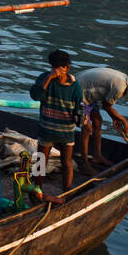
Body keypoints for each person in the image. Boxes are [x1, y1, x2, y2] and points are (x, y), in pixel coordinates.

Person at [77, 67, 128, 171]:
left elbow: (106, 104)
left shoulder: (124, 78)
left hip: (88, 94)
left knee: (97, 121)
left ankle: (98, 156)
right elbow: (106, 106)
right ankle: (85, 163)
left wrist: (115, 118)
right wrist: (124, 121)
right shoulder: (120, 88)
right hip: (77, 94)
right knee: (87, 129)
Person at [29, 49, 84, 191]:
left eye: (59, 68)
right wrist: (48, 78)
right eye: (53, 67)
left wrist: (83, 117)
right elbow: (36, 96)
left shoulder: (75, 85)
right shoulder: (44, 78)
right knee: (41, 160)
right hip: (47, 128)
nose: (56, 71)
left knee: (67, 162)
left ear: (67, 68)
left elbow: (79, 106)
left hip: (66, 131)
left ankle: (67, 192)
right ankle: (37, 190)